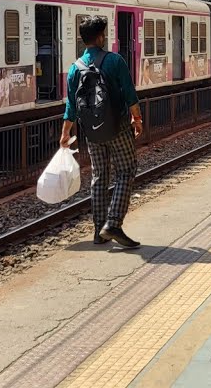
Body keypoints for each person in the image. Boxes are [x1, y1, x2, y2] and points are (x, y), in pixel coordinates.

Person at [58, 15, 144, 249]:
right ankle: (113, 223)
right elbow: (129, 93)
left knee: (99, 177)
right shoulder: (115, 61)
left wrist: (65, 133)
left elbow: (71, 106)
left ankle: (98, 231)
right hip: (118, 128)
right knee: (126, 170)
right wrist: (137, 119)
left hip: (92, 132)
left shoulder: (75, 68)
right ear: (100, 37)